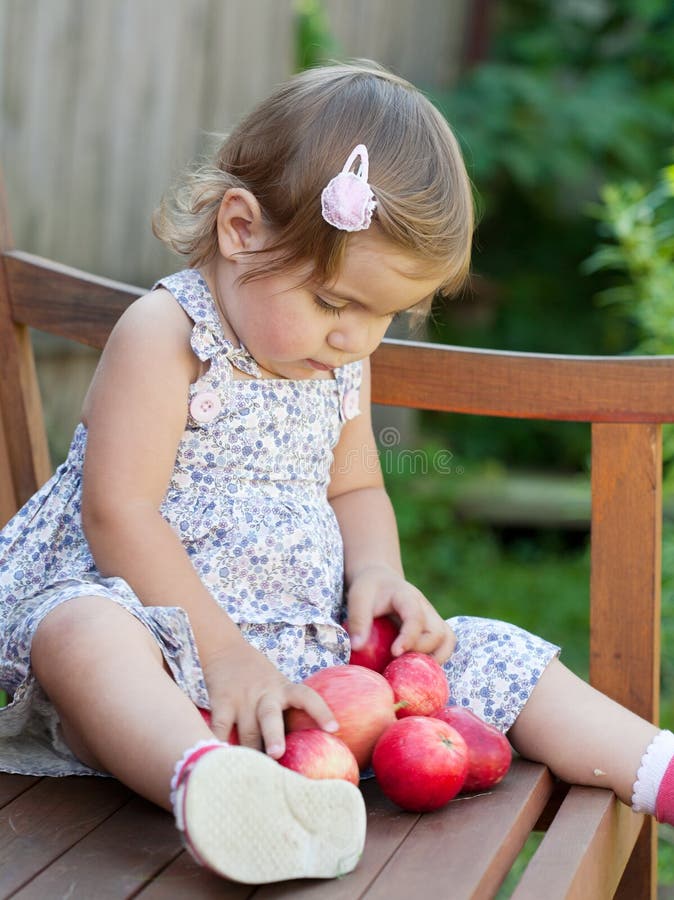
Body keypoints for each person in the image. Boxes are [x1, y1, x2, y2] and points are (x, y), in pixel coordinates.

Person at [0, 60, 672, 885]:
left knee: (492, 652)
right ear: (240, 227)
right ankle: (210, 782)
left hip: (311, 660)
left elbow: (355, 487)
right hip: (168, 656)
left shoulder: (335, 361)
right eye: (333, 302)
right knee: (78, 631)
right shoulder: (166, 334)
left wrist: (382, 574)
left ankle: (657, 768)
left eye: (384, 315)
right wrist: (223, 658)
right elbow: (119, 515)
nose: (356, 338)